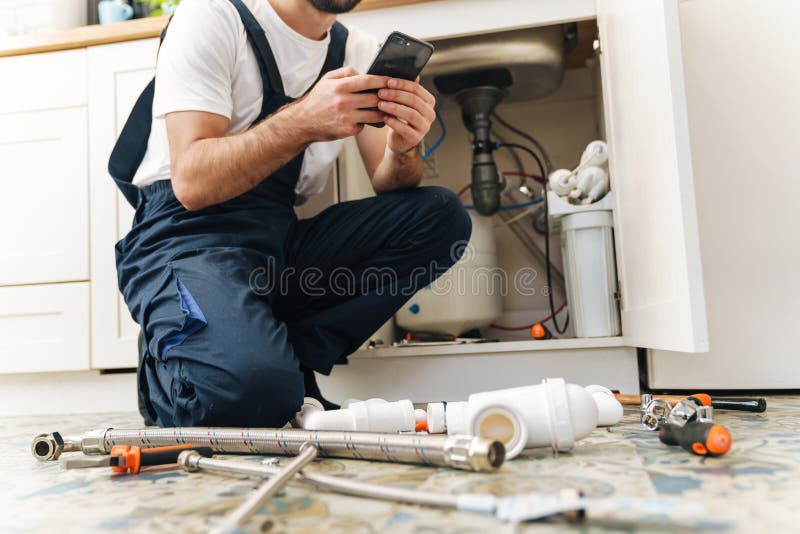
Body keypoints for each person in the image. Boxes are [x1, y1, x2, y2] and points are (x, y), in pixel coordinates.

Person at [112, 0, 471, 428]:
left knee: (441, 217)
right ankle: (180, 375)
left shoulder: (357, 49)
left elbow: (390, 181)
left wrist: (404, 144)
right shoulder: (212, 16)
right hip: (184, 236)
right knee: (248, 395)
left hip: (276, 238)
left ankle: (276, 363)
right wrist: (303, 119)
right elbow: (192, 182)